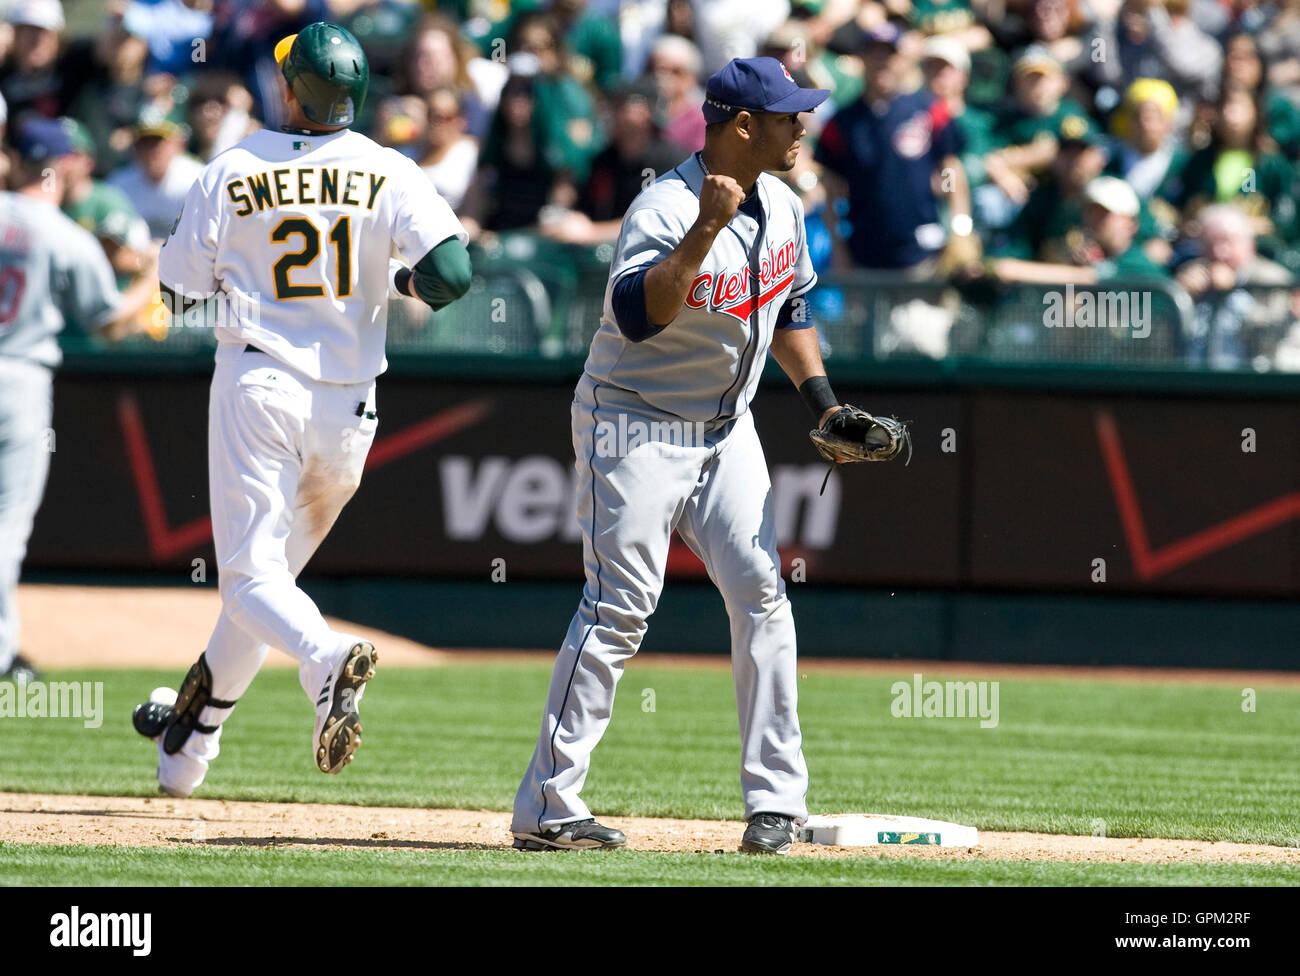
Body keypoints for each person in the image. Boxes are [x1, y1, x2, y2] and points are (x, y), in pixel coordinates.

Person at [511, 57, 900, 855]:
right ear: (745, 126)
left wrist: (824, 404)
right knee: (619, 607)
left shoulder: (787, 205)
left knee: (761, 590)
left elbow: (787, 308)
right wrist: (704, 231)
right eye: (790, 115)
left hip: (727, 427)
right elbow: (638, 317)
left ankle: (775, 803)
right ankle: (548, 807)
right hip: (634, 422)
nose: (803, 126)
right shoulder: (664, 205)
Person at [129, 23, 472, 799]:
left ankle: (324, 663)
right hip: (349, 409)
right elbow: (453, 272)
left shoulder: (237, 164)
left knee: (251, 583)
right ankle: (187, 751)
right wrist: (395, 287)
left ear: (291, 90)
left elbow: (177, 287)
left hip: (262, 384)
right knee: (268, 583)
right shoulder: (389, 168)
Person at [0, 118, 158, 683]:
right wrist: (153, 276)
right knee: (7, 526)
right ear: (62, 166)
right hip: (19, 379)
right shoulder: (63, 233)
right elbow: (109, 324)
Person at [814, 22, 976, 275]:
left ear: (902, 60)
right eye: (874, 54)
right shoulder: (841, 123)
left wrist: (961, 227)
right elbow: (830, 188)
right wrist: (838, 247)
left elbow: (950, 169)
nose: (882, 62)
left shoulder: (930, 111)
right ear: (862, 60)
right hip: (865, 257)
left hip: (926, 255)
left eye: (889, 55)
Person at [107, 110, 205, 240]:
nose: (151, 150)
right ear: (135, 147)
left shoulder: (197, 179)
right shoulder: (118, 184)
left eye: (158, 142)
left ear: (177, 145)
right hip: (138, 257)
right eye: (144, 143)